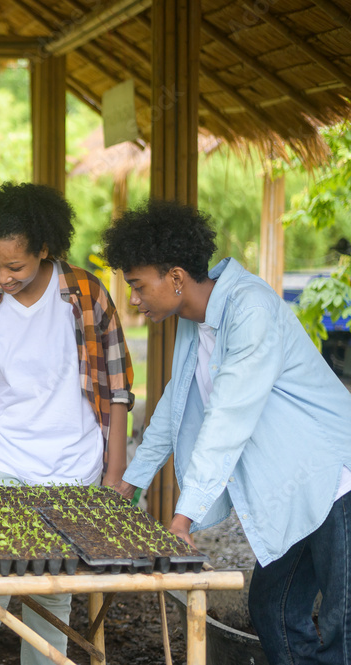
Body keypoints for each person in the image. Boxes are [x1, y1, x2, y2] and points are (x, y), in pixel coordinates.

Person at [101, 199, 351, 665]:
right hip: (297, 489)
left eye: (137, 286)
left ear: (176, 278)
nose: (133, 299)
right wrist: (129, 484)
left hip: (335, 479)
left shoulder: (249, 308)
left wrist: (183, 519)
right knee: (273, 609)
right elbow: (174, 410)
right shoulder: (195, 323)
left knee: (343, 625)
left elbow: (228, 419)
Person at [0, 182, 134, 665]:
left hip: (73, 467)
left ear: (44, 249)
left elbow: (117, 392)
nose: (1, 276)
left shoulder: (86, 294)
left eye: (14, 266)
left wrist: (115, 476)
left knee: (51, 595)